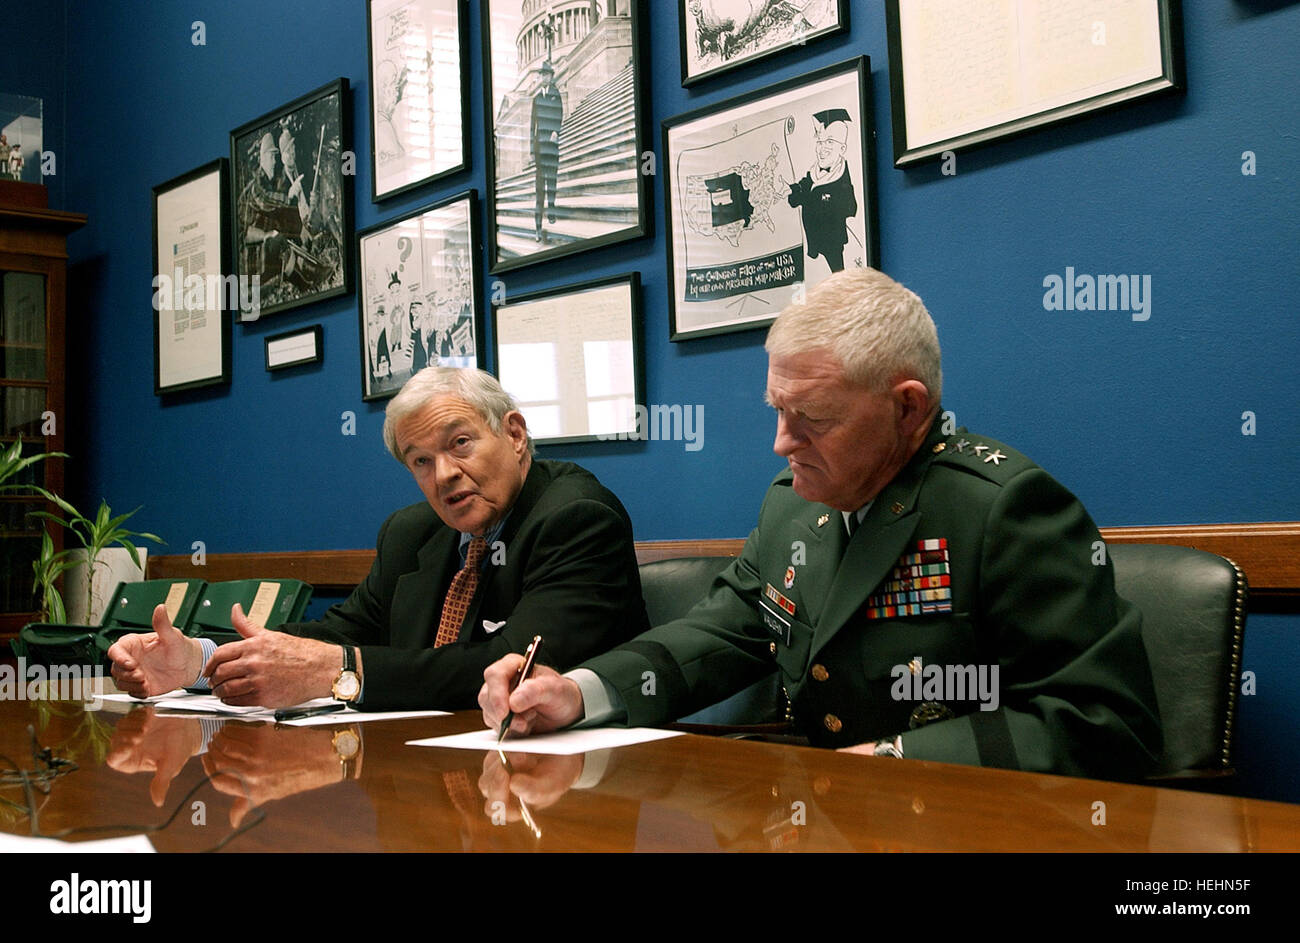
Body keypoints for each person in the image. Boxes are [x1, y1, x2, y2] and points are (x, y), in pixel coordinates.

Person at [480, 268, 1162, 781]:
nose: (781, 442)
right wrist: (579, 690)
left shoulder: (1003, 510)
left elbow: (1105, 724)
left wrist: (897, 758)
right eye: (777, 409)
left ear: (907, 408)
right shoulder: (796, 502)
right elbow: (727, 628)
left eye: (813, 418)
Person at [109, 367, 649, 711]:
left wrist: (340, 672)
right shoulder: (413, 532)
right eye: (421, 461)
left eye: (460, 443)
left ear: (513, 432)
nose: (444, 475)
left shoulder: (576, 516)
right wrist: (201, 661)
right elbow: (341, 630)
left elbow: (509, 668)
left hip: (569, 781)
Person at [786, 109, 857, 275]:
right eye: (820, 142)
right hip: (813, 244)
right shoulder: (813, 173)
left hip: (832, 243)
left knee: (838, 278)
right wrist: (791, 190)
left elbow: (850, 208)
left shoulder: (842, 180)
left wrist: (817, 200)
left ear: (842, 148)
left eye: (830, 142)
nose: (822, 148)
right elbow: (796, 196)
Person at [530, 60, 563, 243]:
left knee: (552, 180)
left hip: (552, 145)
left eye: (547, 74)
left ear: (551, 77)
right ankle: (537, 226)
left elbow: (560, 113)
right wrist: (531, 149)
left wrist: (555, 132)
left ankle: (551, 210)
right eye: (542, 74)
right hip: (540, 148)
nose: (544, 77)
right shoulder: (536, 98)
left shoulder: (555, 94)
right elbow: (531, 124)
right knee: (539, 187)